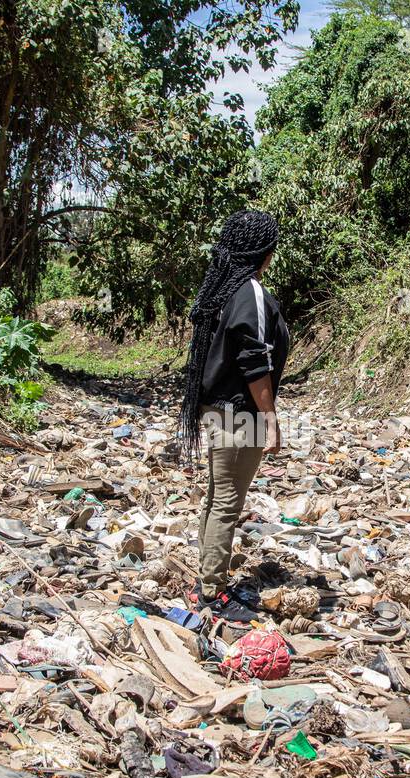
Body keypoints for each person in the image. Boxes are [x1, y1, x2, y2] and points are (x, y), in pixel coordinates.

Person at [178, 210, 289, 621]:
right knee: (226, 500)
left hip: (215, 406)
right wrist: (270, 418)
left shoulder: (221, 290)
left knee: (216, 495)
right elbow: (254, 360)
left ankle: (205, 581)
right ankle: (212, 593)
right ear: (265, 251)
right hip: (239, 412)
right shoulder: (251, 292)